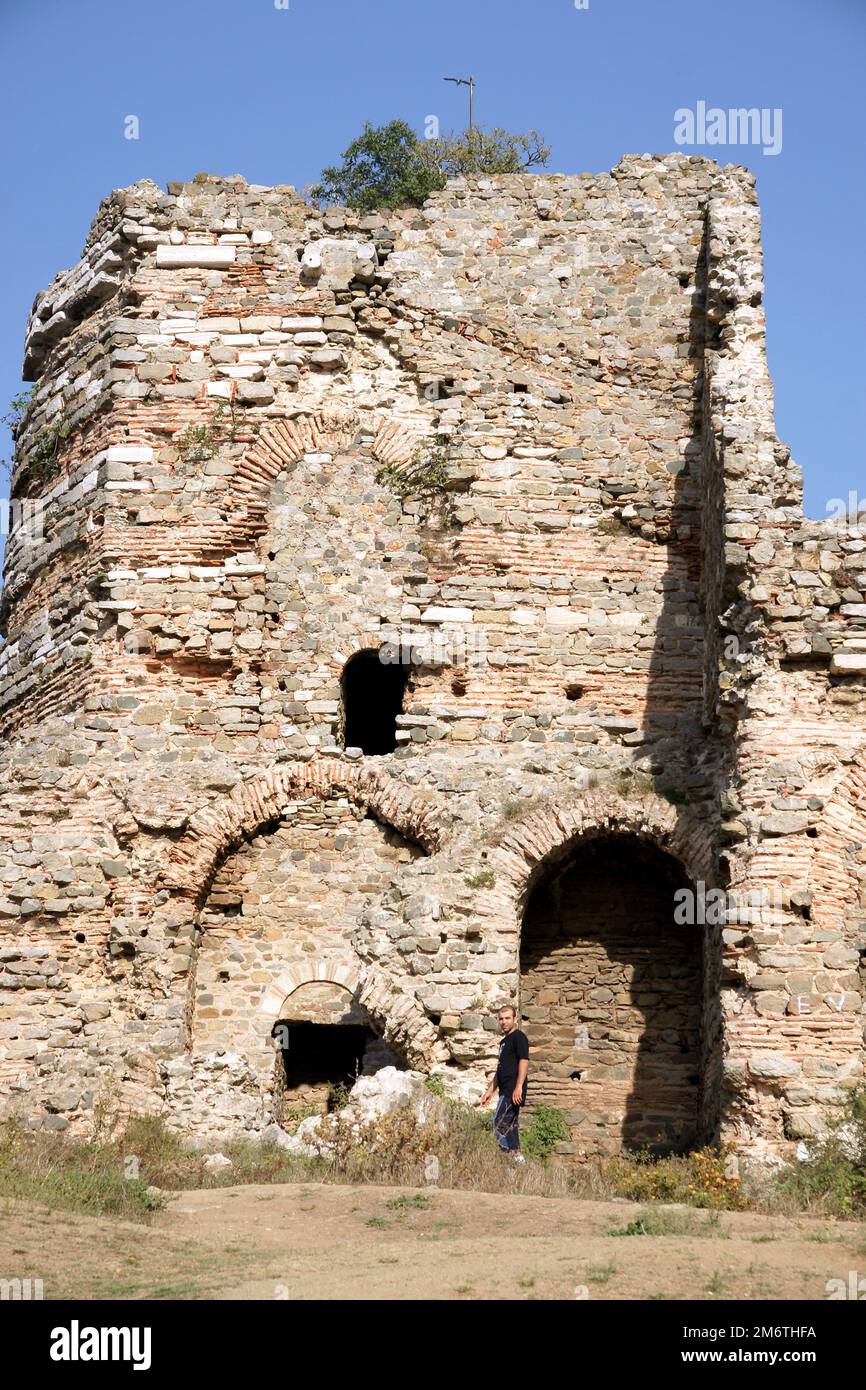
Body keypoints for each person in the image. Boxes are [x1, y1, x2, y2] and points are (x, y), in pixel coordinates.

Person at [479, 1002, 529, 1163]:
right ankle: (517, 1159)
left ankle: (507, 1157)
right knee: (510, 1125)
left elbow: (524, 1061)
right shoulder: (503, 1042)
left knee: (498, 1121)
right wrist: (489, 1091)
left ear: (515, 1019)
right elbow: (500, 1071)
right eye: (501, 1019)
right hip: (504, 1089)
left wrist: (519, 1087)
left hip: (513, 1090)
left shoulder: (519, 1037)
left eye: (507, 1018)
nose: (504, 1021)